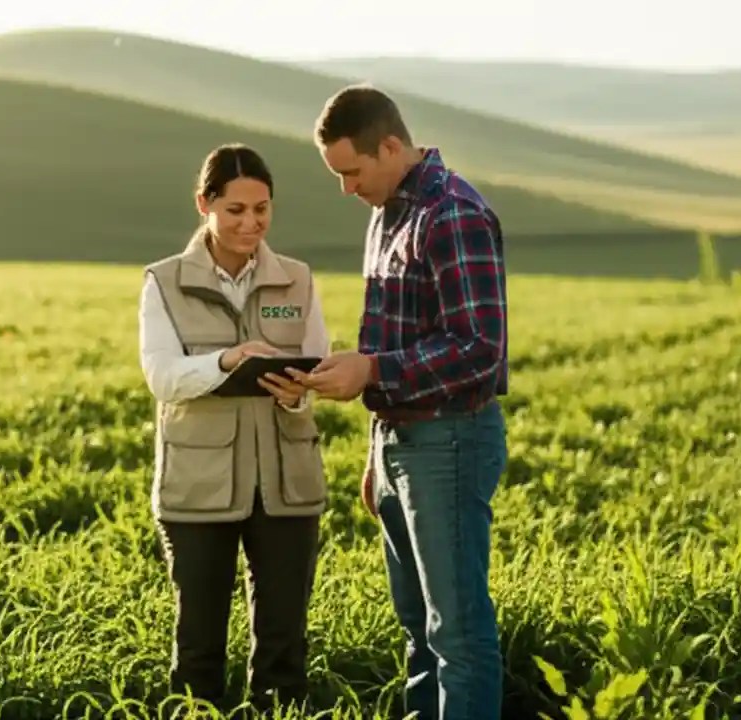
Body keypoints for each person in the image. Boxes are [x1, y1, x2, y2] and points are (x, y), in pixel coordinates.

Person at [288, 85, 510, 720]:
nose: (346, 188)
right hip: (400, 445)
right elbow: (394, 335)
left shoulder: (453, 214)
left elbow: (478, 348)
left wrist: (372, 370)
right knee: (418, 634)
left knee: (456, 637)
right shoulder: (388, 213)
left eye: (352, 171)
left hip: (450, 442)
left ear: (390, 147)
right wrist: (377, 452)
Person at [137, 142, 331, 715]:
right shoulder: (163, 282)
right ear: (205, 204)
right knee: (198, 649)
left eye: (262, 209)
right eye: (236, 210)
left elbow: (315, 365)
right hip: (198, 489)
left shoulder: (298, 279)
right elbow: (163, 377)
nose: (252, 223)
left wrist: (297, 393)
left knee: (284, 651)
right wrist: (226, 362)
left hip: (286, 485)